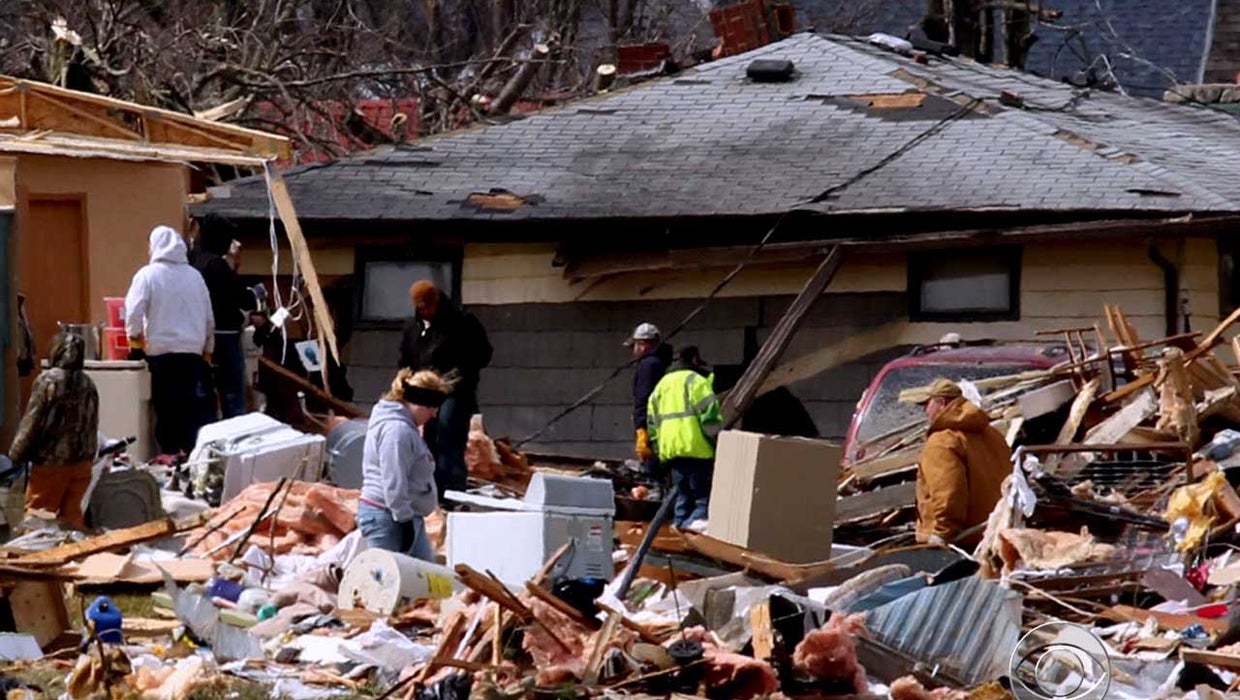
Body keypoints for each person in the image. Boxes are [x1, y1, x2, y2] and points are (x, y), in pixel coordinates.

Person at [125, 225, 216, 456]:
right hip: (193, 356)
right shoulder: (195, 277)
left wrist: (135, 345)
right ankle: (188, 456)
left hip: (161, 355)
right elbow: (208, 318)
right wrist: (207, 352)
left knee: (166, 410)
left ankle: (169, 455)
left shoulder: (147, 275)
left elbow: (133, 311)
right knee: (189, 410)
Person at [398, 281, 492, 499]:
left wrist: (459, 376)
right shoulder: (413, 327)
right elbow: (406, 360)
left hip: (455, 389)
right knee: (428, 439)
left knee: (449, 434)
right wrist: (406, 388)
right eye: (420, 308)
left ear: (437, 302)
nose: (425, 312)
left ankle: (453, 494)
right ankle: (432, 493)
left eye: (428, 307)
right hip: (424, 390)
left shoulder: (462, 322)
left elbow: (483, 354)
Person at [9, 333, 99, 530]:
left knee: (38, 517)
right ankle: (77, 556)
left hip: (52, 463)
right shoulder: (88, 383)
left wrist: (15, 455)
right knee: (72, 517)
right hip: (83, 462)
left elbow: (32, 422)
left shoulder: (47, 381)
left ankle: (34, 558)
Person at [357, 369, 449, 562]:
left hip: (405, 516)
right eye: (432, 408)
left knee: (426, 576)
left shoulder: (406, 428)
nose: (433, 415)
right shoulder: (397, 431)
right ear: (418, 403)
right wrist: (404, 518)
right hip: (388, 516)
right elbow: (394, 479)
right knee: (386, 580)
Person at [913, 378, 1011, 546]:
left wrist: (941, 534)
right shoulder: (993, 434)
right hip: (994, 534)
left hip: (963, 542)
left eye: (926, 405)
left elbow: (949, 494)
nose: (926, 412)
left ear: (941, 403)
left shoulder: (941, 441)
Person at [191, 214, 261, 419]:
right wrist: (256, 293)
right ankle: (234, 433)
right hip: (225, 335)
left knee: (204, 393)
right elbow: (243, 298)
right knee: (232, 393)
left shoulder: (191, 261)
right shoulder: (216, 265)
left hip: (198, 338)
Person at [647, 346, 721, 531]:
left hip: (671, 450)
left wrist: (658, 448)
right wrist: (717, 442)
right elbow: (709, 415)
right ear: (694, 359)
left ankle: (679, 525)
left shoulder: (661, 385)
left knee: (684, 495)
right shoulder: (695, 381)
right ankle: (690, 527)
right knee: (703, 498)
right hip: (696, 447)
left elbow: (651, 422)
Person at [625, 323, 672, 478]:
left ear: (644, 345)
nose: (634, 350)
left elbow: (643, 397)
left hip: (650, 425)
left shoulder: (648, 365)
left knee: (652, 471)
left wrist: (641, 428)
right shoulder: (662, 363)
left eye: (636, 345)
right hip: (662, 424)